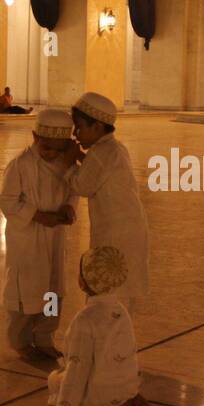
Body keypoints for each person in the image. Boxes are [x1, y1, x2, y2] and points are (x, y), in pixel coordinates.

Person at [38, 246, 151, 406]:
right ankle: (123, 400)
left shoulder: (84, 320)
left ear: (82, 283)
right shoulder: (122, 312)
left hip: (100, 395)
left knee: (54, 380)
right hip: (126, 390)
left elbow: (78, 367)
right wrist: (131, 391)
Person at [0, 108, 78, 362]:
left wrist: (69, 208)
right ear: (35, 137)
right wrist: (39, 215)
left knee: (53, 289)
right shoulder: (20, 165)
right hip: (27, 239)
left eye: (59, 149)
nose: (52, 154)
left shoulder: (66, 165)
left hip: (54, 239)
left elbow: (73, 190)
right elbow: (7, 202)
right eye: (47, 148)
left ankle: (45, 337)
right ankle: (20, 342)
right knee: (26, 292)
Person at [62, 92, 150, 316]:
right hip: (128, 227)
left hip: (116, 231)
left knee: (109, 288)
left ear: (98, 128)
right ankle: (117, 340)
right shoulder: (114, 148)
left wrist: (69, 162)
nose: (75, 134)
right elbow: (97, 169)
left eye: (80, 127)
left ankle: (108, 341)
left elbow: (82, 186)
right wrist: (82, 158)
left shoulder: (101, 153)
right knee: (120, 285)